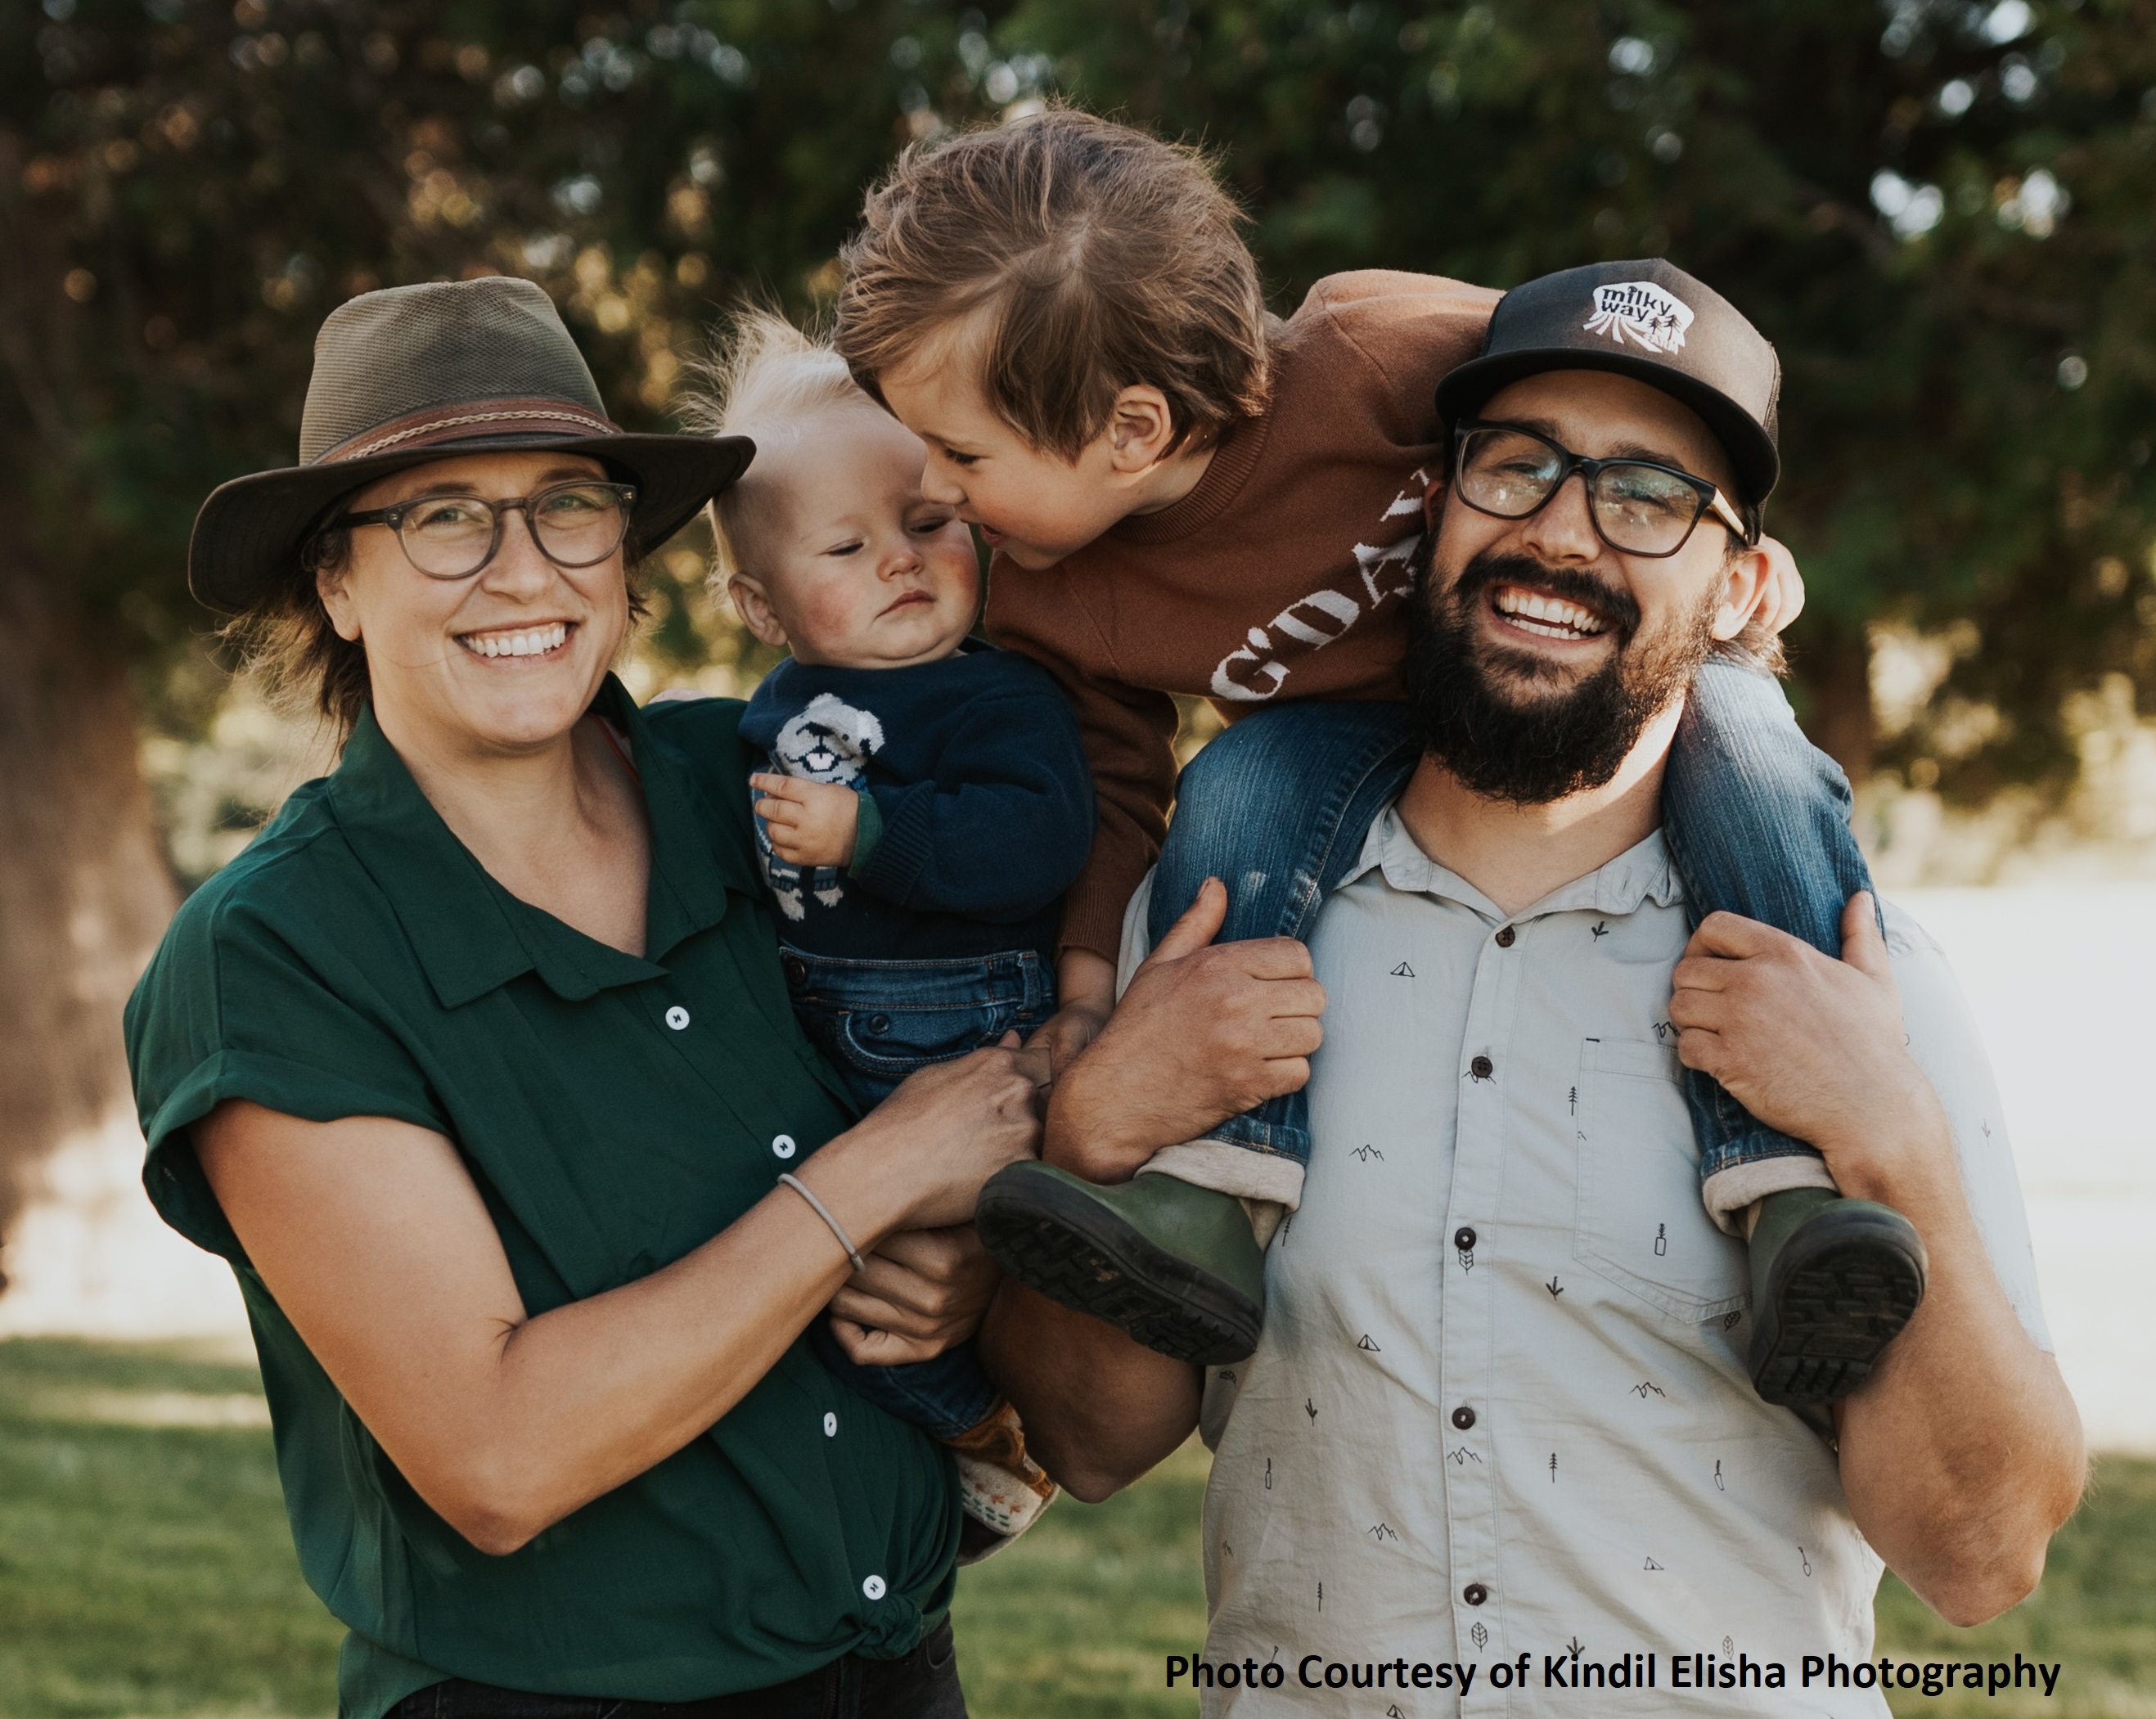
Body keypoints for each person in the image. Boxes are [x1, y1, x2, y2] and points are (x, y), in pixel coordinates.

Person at [975, 263, 2087, 1714]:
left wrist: (1892, 1137)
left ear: (1740, 582)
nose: (1558, 530)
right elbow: (1096, 1440)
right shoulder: (1222, 931)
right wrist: (1095, 1131)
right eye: (1515, 467)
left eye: (1645, 497)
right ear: (1431, 509)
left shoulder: (1849, 978)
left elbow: (1983, 1556)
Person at [832, 109, 1922, 1406]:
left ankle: (1789, 1188)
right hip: (1341, 738)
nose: (940, 493)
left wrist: (1735, 547)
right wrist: (1085, 996)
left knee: (1755, 751)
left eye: (960, 453)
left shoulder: (1370, 351)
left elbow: (1603, 380)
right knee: (1232, 786)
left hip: (1576, 663)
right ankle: (1214, 1193)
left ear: (1127, 427)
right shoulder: (1057, 600)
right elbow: (1112, 794)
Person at [126, 277, 1037, 1718]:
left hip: (901, 1673)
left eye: (567, 504)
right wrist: (874, 1181)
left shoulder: (765, 782)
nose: (523, 570)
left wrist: (972, 1253)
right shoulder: (274, 956)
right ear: (335, 581)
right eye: (440, 516)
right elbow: (498, 1459)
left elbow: (986, 1057)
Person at [691, 307, 1092, 1546]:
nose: (900, 564)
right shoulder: (765, 709)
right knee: (816, 1290)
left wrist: (871, 835)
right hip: (829, 1042)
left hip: (959, 1029)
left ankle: (989, 1440)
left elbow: (1040, 839)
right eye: (847, 546)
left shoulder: (995, 694)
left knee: (883, 1303)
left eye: (927, 524)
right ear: (761, 606)